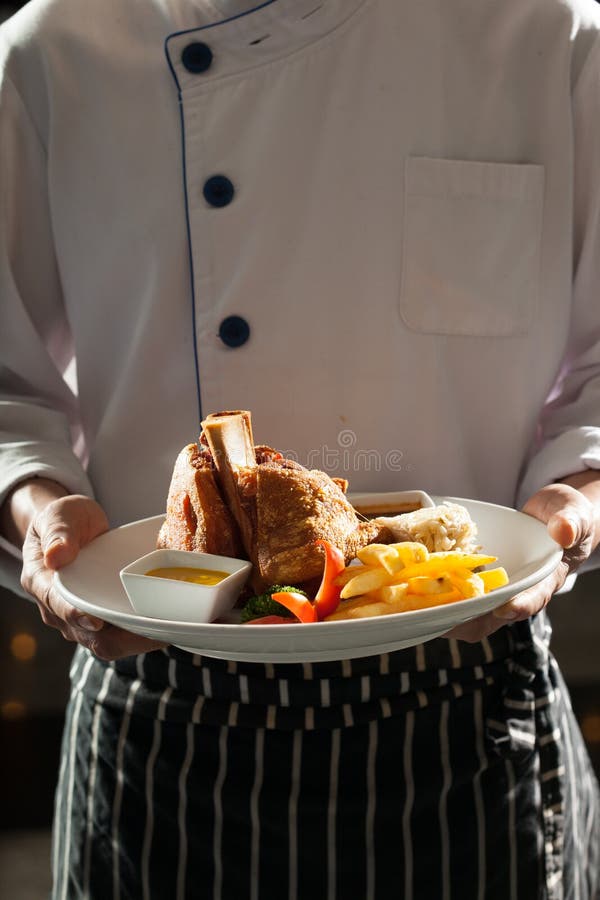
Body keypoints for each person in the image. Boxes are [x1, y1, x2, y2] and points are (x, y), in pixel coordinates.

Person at [1, 0, 600, 896]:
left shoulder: (547, 36)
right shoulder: (59, 47)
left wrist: (577, 499)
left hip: (466, 710)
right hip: (162, 718)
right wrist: (47, 513)